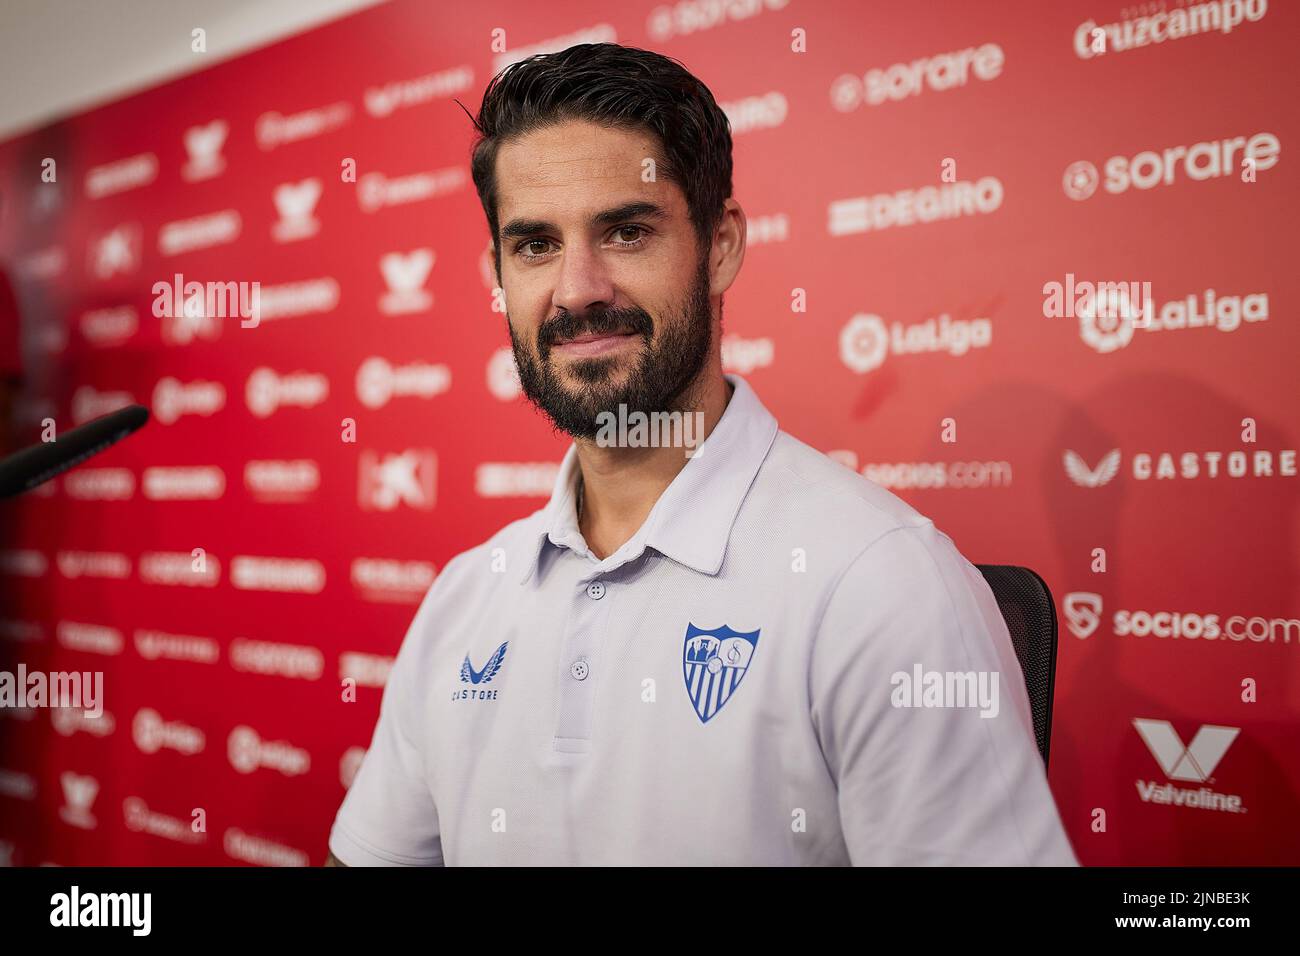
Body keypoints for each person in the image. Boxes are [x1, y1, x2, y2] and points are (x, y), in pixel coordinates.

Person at [327, 43, 1077, 866]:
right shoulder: (462, 601)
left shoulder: (885, 587)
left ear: (720, 246)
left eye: (626, 231)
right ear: (499, 274)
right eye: (536, 244)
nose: (578, 288)